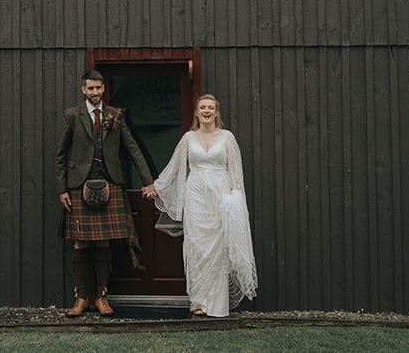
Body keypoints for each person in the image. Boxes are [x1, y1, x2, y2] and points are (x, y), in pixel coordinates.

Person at [55, 70, 157, 317]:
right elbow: (61, 155)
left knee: (103, 241)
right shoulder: (72, 116)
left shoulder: (115, 116)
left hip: (110, 184)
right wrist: (62, 189)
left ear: (103, 89)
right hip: (79, 186)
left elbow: (133, 150)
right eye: (90, 88)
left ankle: (101, 296)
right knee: (80, 242)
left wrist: (149, 182)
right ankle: (81, 298)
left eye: (99, 88)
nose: (95, 92)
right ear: (83, 90)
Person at [152, 94, 257, 317]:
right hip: (196, 196)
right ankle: (198, 303)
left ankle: (218, 306)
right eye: (203, 108)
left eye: (211, 108)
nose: (207, 111)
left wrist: (235, 198)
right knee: (197, 247)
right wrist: (157, 187)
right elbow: (175, 167)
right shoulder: (188, 138)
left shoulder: (227, 138)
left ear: (216, 113)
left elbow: (235, 171)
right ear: (197, 113)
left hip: (221, 197)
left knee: (218, 249)